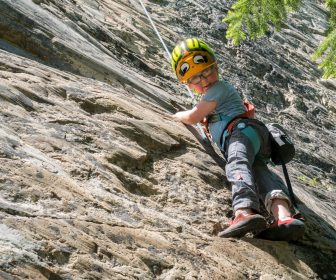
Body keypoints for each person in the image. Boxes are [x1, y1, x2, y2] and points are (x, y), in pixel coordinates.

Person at [171, 38, 305, 241]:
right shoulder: (217, 92)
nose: (204, 80)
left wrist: (176, 116)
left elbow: (192, 118)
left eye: (207, 71)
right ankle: (284, 217)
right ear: (188, 84)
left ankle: (244, 210)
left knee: (237, 164)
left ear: (215, 66)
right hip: (254, 138)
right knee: (262, 176)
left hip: (241, 132)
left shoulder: (218, 89)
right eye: (196, 78)